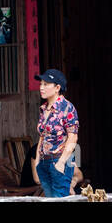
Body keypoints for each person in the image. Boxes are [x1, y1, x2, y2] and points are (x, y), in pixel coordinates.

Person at [32, 68, 79, 197]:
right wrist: (37, 161)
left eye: (46, 84)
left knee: (59, 198)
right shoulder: (44, 108)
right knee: (49, 198)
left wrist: (61, 163)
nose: (41, 87)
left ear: (57, 87)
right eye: (41, 84)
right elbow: (42, 136)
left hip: (59, 160)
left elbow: (73, 138)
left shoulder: (67, 108)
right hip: (43, 163)